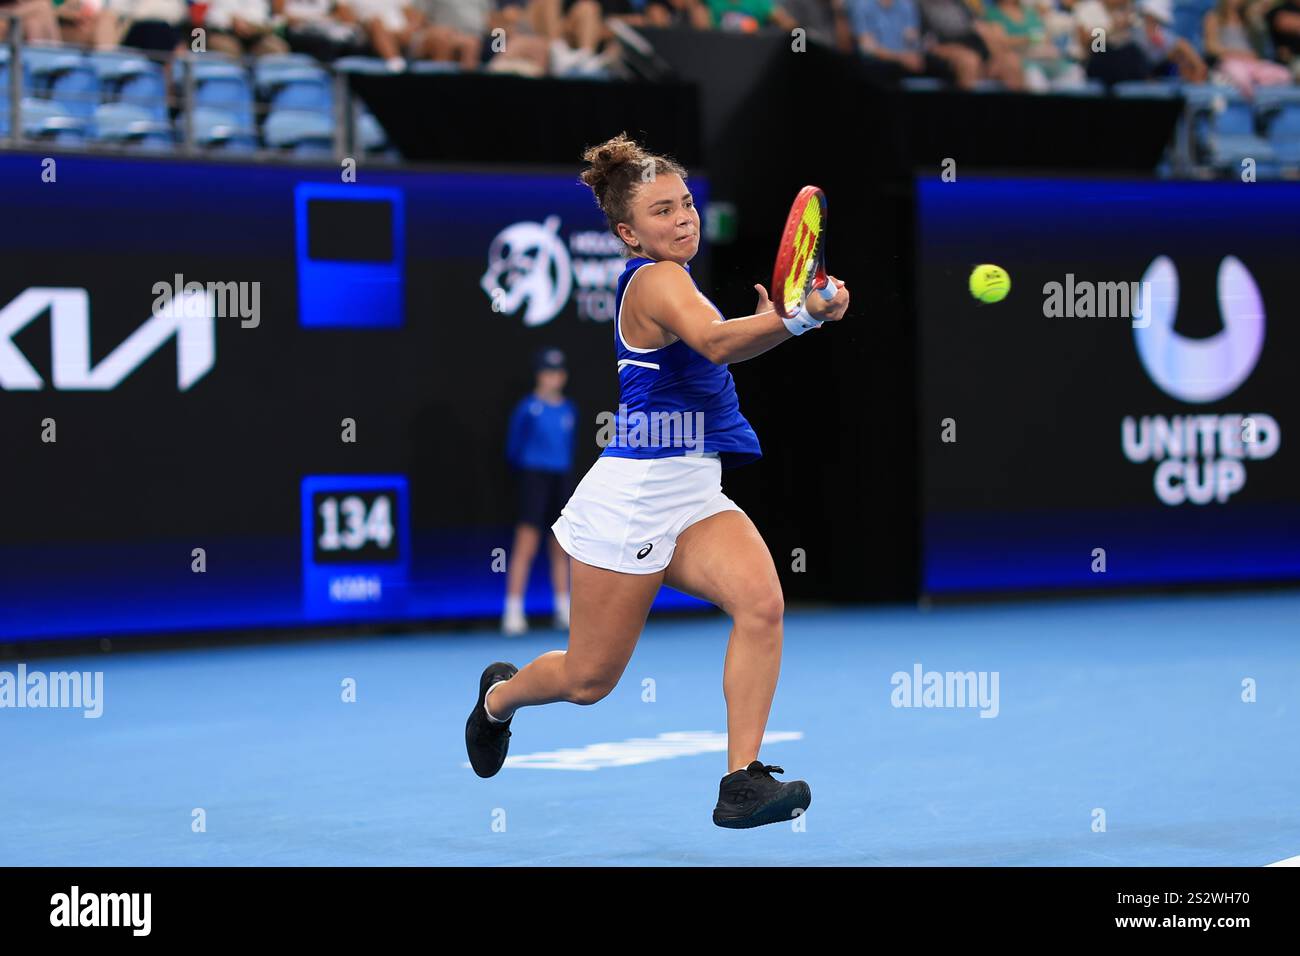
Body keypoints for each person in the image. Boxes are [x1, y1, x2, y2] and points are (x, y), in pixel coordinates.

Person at [465, 133, 851, 829]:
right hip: (635, 499)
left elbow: (736, 337)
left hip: (696, 494)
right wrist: (793, 317)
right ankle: (499, 699)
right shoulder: (656, 280)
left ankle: (742, 781)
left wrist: (800, 318)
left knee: (761, 604)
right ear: (627, 233)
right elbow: (716, 342)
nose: (683, 219)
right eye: (663, 211)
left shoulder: (681, 280)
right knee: (589, 681)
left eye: (686, 205)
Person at [501, 348, 578, 637]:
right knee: (526, 546)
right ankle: (513, 610)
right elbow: (513, 449)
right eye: (547, 372)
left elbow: (568, 449)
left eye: (557, 372)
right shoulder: (527, 408)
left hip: (561, 479)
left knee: (560, 546)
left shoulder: (570, 409)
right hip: (533, 480)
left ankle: (562, 608)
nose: (552, 378)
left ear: (564, 376)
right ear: (539, 375)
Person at [1204, 0, 1292, 96]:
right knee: (1242, 78)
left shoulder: (1249, 18)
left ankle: (1265, 98)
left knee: (1284, 75)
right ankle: (1253, 106)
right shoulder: (1214, 17)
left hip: (1251, 62)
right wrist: (1240, 54)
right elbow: (1211, 47)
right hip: (1229, 62)